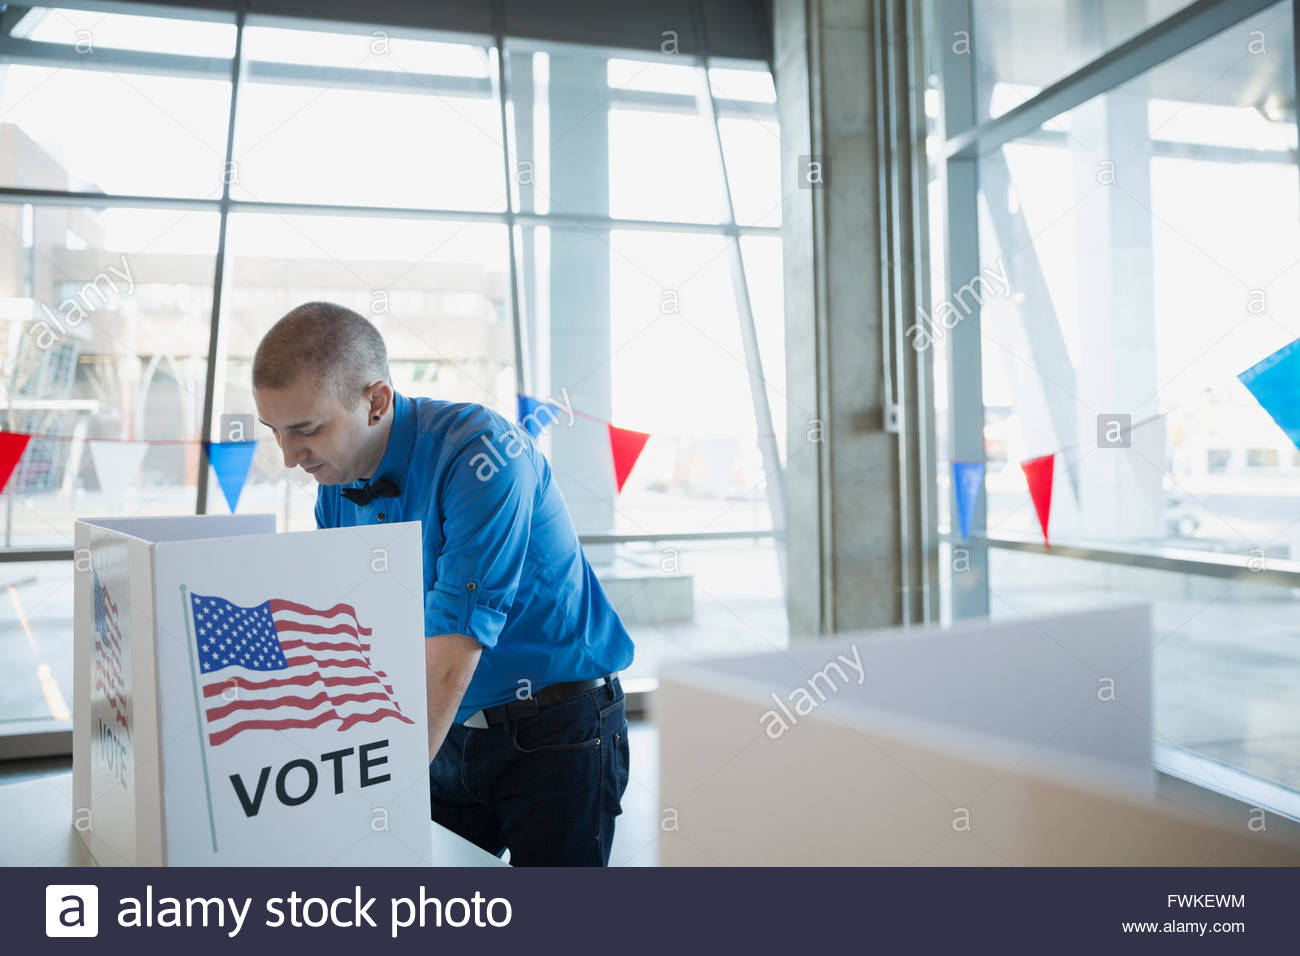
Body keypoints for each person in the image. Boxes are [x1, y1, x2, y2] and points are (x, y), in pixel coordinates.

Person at [251, 301, 634, 866]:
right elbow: (352, 633)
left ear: (376, 401)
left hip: (558, 732)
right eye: (275, 432)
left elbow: (453, 651)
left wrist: (369, 797)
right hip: (447, 729)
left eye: (306, 430)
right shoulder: (335, 478)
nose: (288, 458)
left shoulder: (481, 455)